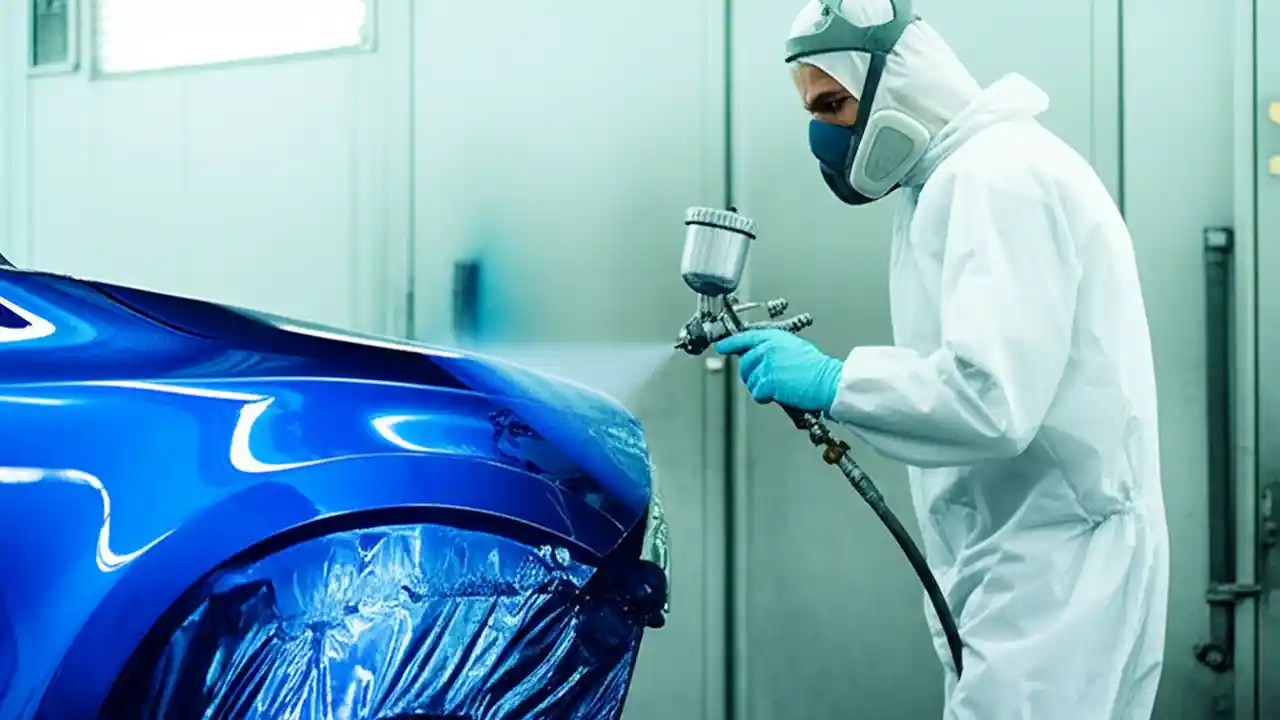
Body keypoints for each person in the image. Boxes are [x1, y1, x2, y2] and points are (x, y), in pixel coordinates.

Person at [714, 1, 1170, 717]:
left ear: (897, 83)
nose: (823, 131)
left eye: (834, 103)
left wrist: (837, 381)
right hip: (1030, 552)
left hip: (1050, 565)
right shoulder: (953, 178)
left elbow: (992, 399)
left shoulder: (994, 177)